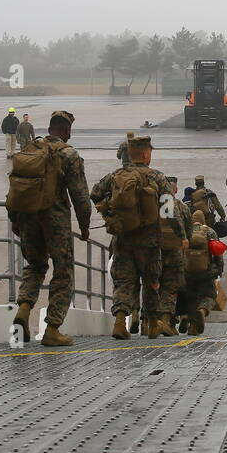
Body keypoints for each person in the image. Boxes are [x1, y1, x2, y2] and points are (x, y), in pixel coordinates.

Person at [9, 110, 91, 347]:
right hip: (55, 222)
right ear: (66, 130)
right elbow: (80, 196)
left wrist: (15, 219)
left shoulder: (30, 150)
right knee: (63, 272)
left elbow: (14, 188)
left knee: (34, 266)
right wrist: (84, 227)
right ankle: (52, 329)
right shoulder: (68, 154)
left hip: (27, 219)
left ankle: (23, 310)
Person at [90, 135, 177, 340]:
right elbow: (168, 212)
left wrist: (109, 215)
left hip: (123, 239)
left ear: (130, 154)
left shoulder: (115, 176)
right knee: (151, 282)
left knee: (124, 282)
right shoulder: (158, 177)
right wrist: (178, 235)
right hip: (150, 241)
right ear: (146, 154)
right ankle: (152, 324)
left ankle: (120, 322)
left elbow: (95, 194)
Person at [150, 176, 193, 338]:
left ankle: (148, 323)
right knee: (170, 287)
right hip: (174, 252)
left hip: (154, 252)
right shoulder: (181, 207)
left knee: (153, 285)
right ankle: (166, 321)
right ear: (175, 190)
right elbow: (188, 231)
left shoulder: (152, 206)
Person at [179, 210, 224, 334]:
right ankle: (203, 311)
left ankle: (192, 327)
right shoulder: (210, 232)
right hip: (206, 271)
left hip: (187, 271)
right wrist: (219, 269)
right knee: (210, 296)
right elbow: (218, 253)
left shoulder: (185, 232)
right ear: (203, 220)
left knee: (191, 298)